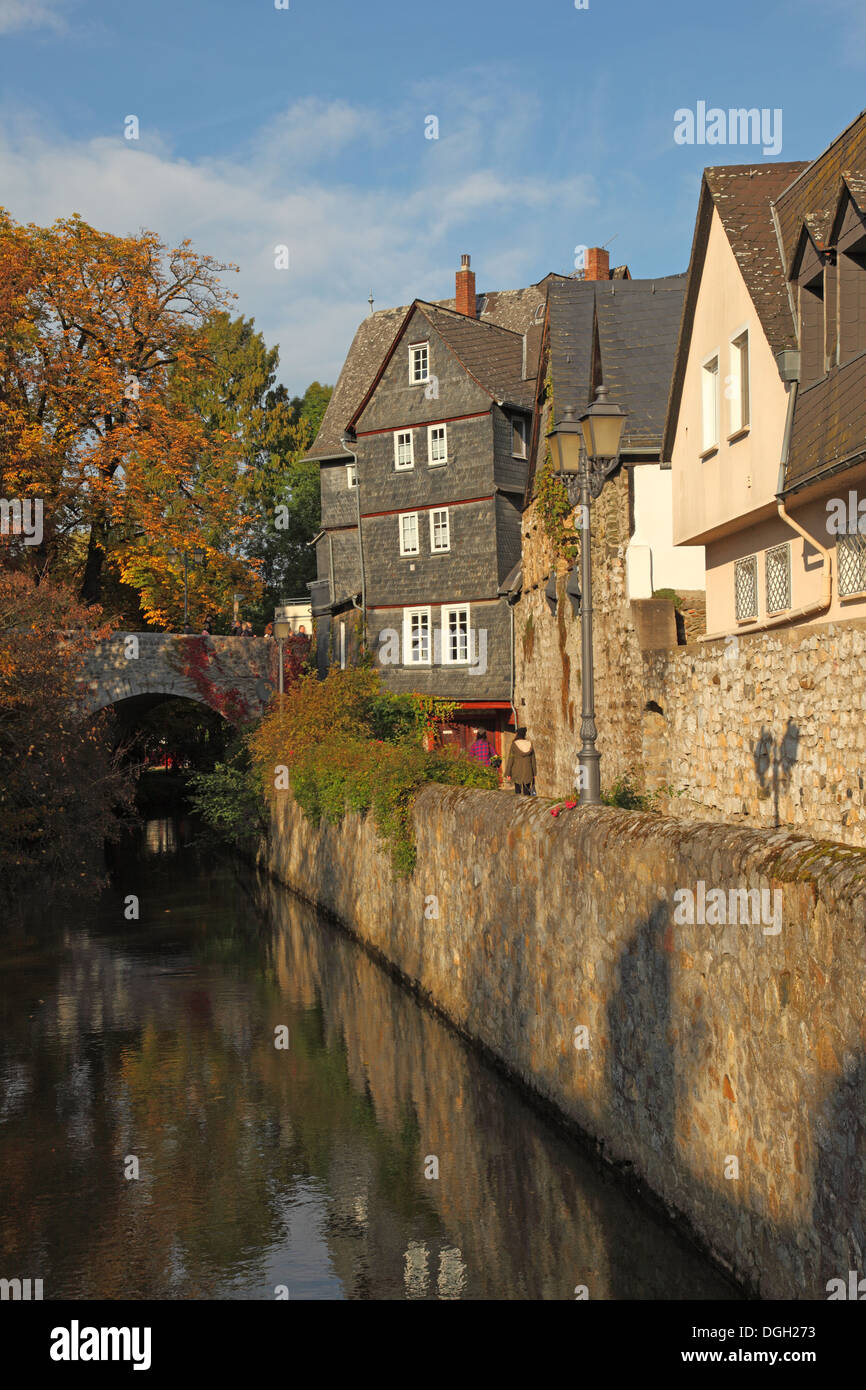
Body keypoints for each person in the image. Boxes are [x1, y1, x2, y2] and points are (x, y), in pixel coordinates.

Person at [505, 727, 537, 794]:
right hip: (528, 770)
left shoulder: (514, 744)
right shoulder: (530, 744)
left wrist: (508, 773)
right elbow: (533, 760)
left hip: (516, 770)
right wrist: (534, 773)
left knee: (518, 791)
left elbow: (511, 759)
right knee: (527, 791)